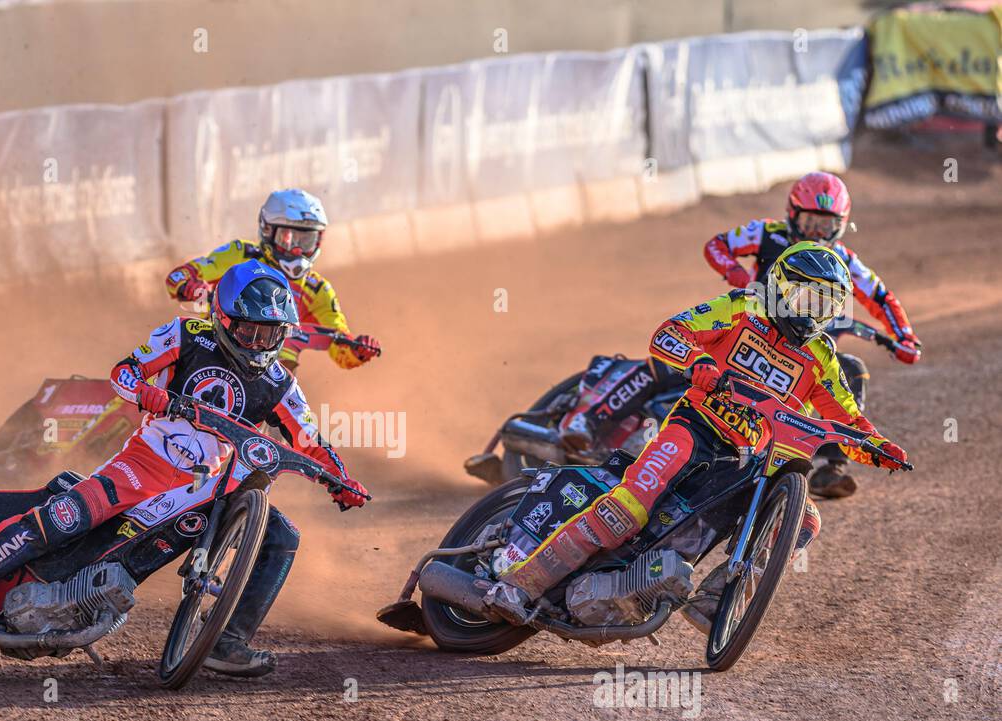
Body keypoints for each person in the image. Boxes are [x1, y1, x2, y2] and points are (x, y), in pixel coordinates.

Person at [0, 261, 369, 677]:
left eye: (270, 334)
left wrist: (341, 479)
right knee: (70, 516)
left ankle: (227, 641)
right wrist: (149, 394)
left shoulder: (281, 383)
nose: (258, 344)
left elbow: (310, 439)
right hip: (144, 462)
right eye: (249, 331)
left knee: (284, 535)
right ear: (224, 319)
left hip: (210, 486)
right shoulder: (186, 334)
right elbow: (123, 372)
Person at [484, 242, 911, 633]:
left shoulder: (821, 356)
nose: (814, 314)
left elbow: (850, 420)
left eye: (826, 306)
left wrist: (880, 448)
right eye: (808, 299)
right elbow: (668, 333)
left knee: (806, 519)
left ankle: (716, 599)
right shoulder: (744, 307)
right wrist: (699, 360)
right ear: (781, 288)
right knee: (630, 507)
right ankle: (518, 585)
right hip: (696, 425)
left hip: (745, 460)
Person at [704, 171, 921, 497]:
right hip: (750, 329)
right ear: (792, 215)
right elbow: (717, 245)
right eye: (809, 223)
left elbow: (879, 296)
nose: (817, 233)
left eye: (826, 225)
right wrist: (736, 275)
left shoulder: (844, 260)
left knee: (849, 369)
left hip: (805, 346)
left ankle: (830, 467)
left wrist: (905, 336)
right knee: (700, 342)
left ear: (841, 224)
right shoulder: (766, 232)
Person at [164, 188, 380, 371]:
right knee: (150, 388)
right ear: (268, 230)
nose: (297, 249)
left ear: (319, 240)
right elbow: (176, 278)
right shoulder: (240, 254)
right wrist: (191, 285)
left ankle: (269, 420)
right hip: (208, 350)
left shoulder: (318, 290)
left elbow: (340, 348)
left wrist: (357, 350)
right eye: (289, 238)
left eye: (306, 240)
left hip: (267, 377)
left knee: (293, 405)